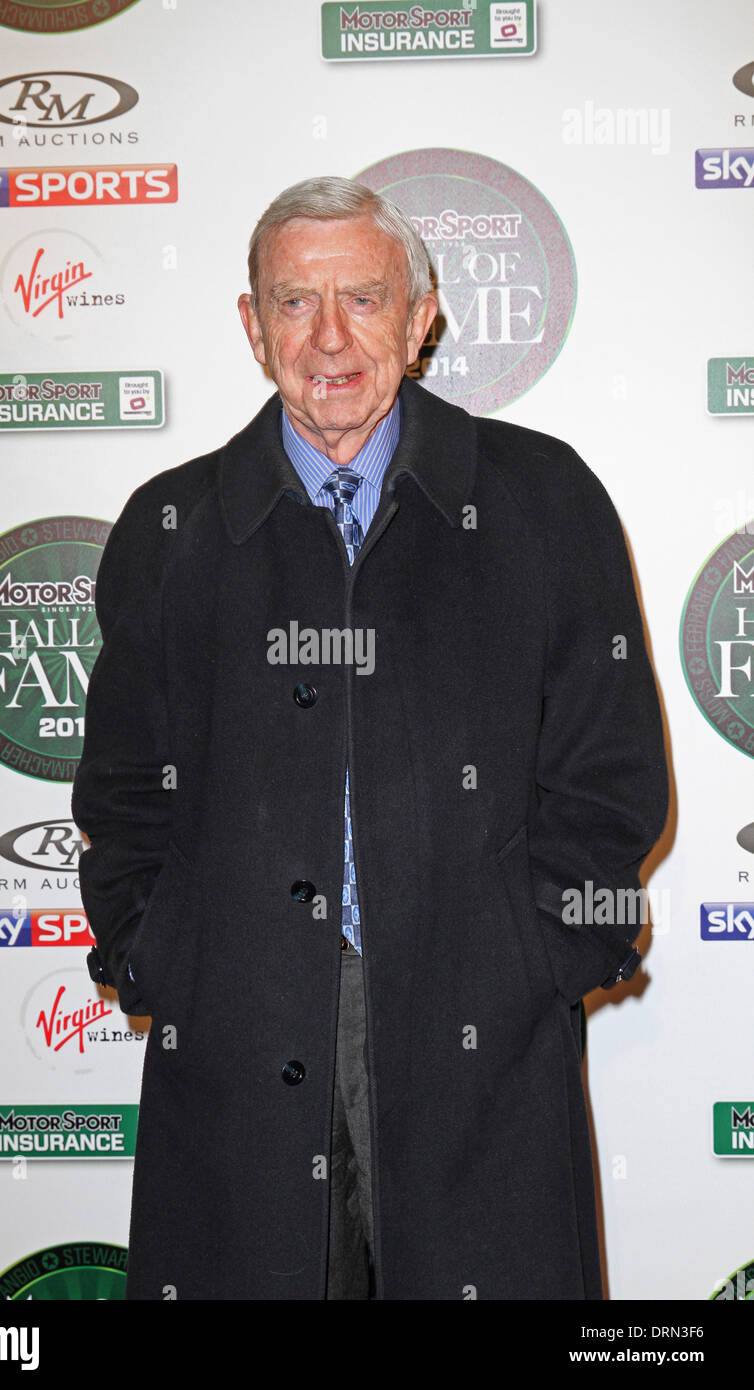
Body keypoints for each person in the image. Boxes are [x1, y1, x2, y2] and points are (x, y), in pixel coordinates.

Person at [72, 176, 668, 1301]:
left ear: (421, 313)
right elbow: (120, 798)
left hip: (479, 1037)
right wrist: (157, 955)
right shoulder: (170, 529)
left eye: (363, 296)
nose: (330, 337)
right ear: (252, 326)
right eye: (294, 303)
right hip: (239, 1039)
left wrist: (543, 954)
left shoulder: (543, 501)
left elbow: (608, 774)